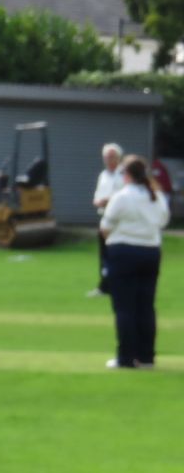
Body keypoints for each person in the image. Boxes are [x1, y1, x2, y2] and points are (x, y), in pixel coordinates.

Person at [100, 155, 170, 369]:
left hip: (124, 252)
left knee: (124, 307)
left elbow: (105, 227)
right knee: (145, 306)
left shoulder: (122, 197)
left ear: (127, 175)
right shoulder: (156, 196)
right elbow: (163, 221)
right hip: (151, 252)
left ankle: (126, 357)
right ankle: (147, 357)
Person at [90, 143, 126, 297]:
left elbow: (125, 196)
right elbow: (97, 196)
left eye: (112, 157)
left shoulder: (124, 175)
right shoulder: (103, 175)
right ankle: (104, 286)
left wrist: (109, 200)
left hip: (118, 220)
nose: (108, 160)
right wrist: (98, 201)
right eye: (106, 157)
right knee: (104, 253)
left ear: (118, 158)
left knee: (118, 253)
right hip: (104, 216)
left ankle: (120, 285)